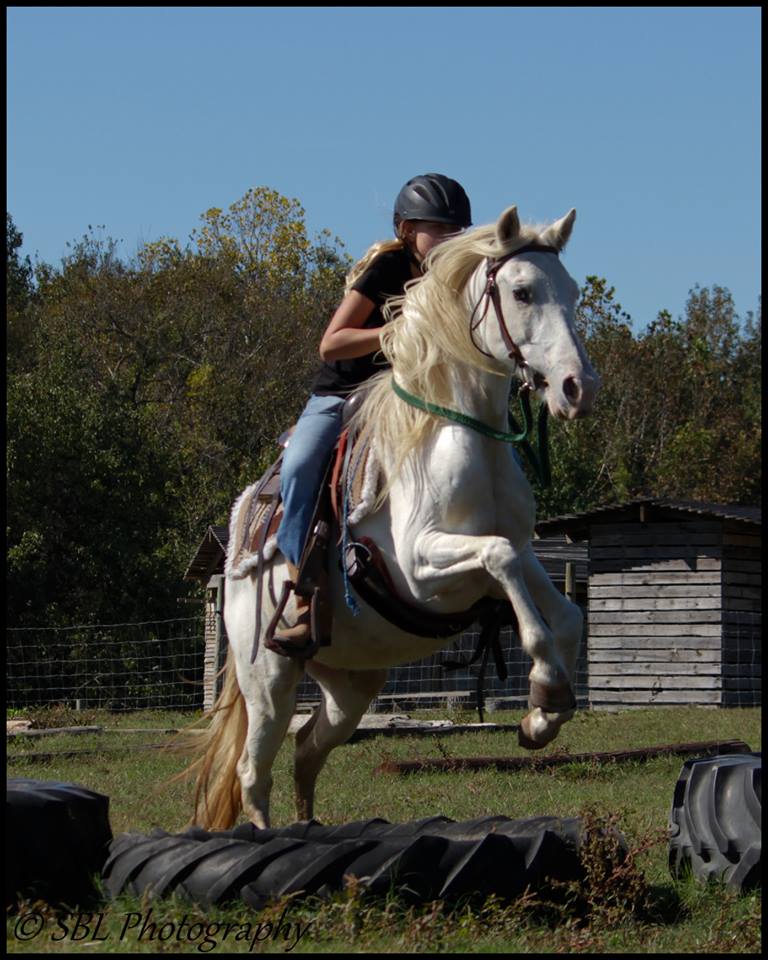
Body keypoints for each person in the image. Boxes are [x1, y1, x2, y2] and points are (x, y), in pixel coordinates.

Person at [272, 173, 472, 653]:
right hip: (344, 396)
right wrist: (395, 332)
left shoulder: (460, 277)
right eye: (436, 229)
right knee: (300, 465)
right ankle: (304, 594)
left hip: (416, 395)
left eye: (456, 231)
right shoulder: (387, 267)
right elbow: (332, 344)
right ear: (406, 228)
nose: (447, 240)